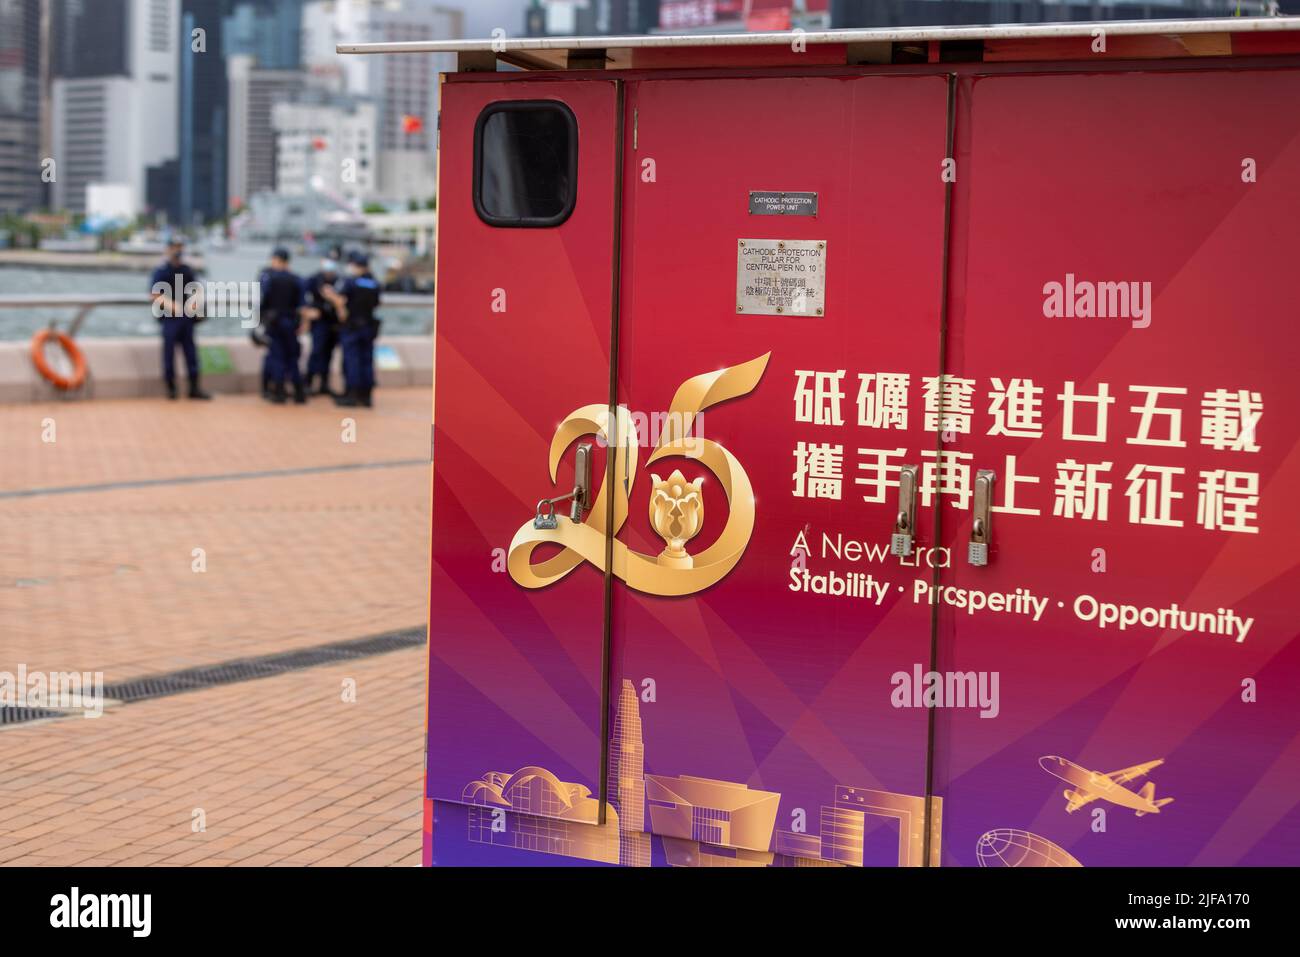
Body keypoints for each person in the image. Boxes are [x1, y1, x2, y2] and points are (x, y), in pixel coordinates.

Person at [148, 239, 211, 400]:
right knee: (169, 354)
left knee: (191, 353)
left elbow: (195, 290)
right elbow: (154, 294)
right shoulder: (161, 270)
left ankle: (194, 388)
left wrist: (197, 308)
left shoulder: (186, 270)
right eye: (175, 247)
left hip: (187, 318)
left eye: (180, 247)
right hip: (169, 318)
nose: (178, 251)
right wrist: (173, 306)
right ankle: (171, 389)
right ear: (168, 249)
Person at [324, 251, 381, 408]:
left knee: (352, 361)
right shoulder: (374, 283)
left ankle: (351, 395)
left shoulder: (350, 282)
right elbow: (376, 304)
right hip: (369, 327)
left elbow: (341, 301)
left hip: (352, 327)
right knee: (367, 361)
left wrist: (330, 296)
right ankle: (366, 396)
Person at [257, 247, 307, 404]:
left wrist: (257, 324)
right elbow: (302, 306)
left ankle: (278, 393)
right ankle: (299, 393)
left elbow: (262, 300)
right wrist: (304, 324)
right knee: (292, 357)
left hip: (275, 323)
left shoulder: (268, 278)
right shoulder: (297, 279)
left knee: (277, 357)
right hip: (291, 323)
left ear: (277, 260)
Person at [301, 258, 341, 396]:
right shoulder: (314, 279)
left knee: (329, 353)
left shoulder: (338, 280)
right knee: (317, 351)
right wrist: (307, 312)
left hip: (333, 321)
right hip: (319, 320)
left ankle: (324, 383)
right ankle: (308, 383)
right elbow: (301, 294)